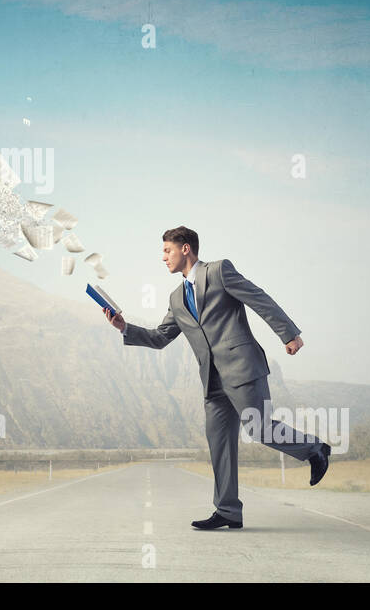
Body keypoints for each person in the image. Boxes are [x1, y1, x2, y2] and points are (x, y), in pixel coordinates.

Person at [104, 226, 329, 529]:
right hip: (212, 381)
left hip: (243, 367)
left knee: (260, 429)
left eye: (167, 250)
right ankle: (228, 511)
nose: (163, 257)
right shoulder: (176, 298)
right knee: (220, 444)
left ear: (186, 249)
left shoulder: (219, 271)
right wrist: (124, 327)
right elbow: (160, 337)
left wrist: (288, 333)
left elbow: (258, 298)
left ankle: (316, 450)